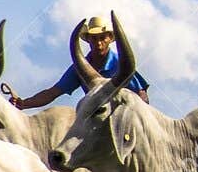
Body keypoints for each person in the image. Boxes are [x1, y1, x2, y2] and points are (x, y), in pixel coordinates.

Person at [9, 16, 149, 109]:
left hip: (124, 117)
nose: (98, 43)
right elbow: (53, 92)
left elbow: (141, 93)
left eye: (102, 38)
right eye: (94, 38)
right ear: (88, 40)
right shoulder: (81, 67)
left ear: (110, 38)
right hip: (95, 120)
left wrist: (140, 114)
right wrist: (24, 103)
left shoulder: (119, 63)